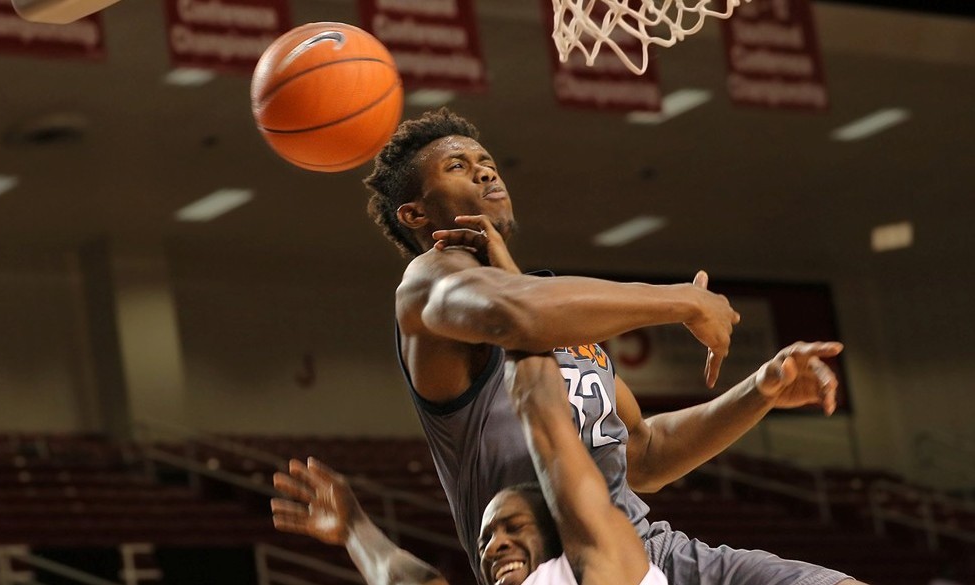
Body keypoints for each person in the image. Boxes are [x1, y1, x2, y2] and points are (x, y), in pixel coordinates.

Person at [361, 108, 864, 585]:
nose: (486, 174)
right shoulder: (427, 283)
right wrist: (682, 300)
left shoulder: (554, 305)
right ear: (414, 214)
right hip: (557, 566)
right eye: (459, 166)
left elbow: (644, 452)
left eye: (488, 163)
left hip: (648, 549)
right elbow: (516, 313)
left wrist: (760, 392)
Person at [271, 352, 669, 585]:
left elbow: (542, 404)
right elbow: (411, 581)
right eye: (484, 540)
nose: (494, 546)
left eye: (514, 527)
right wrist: (354, 527)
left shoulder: (610, 568)